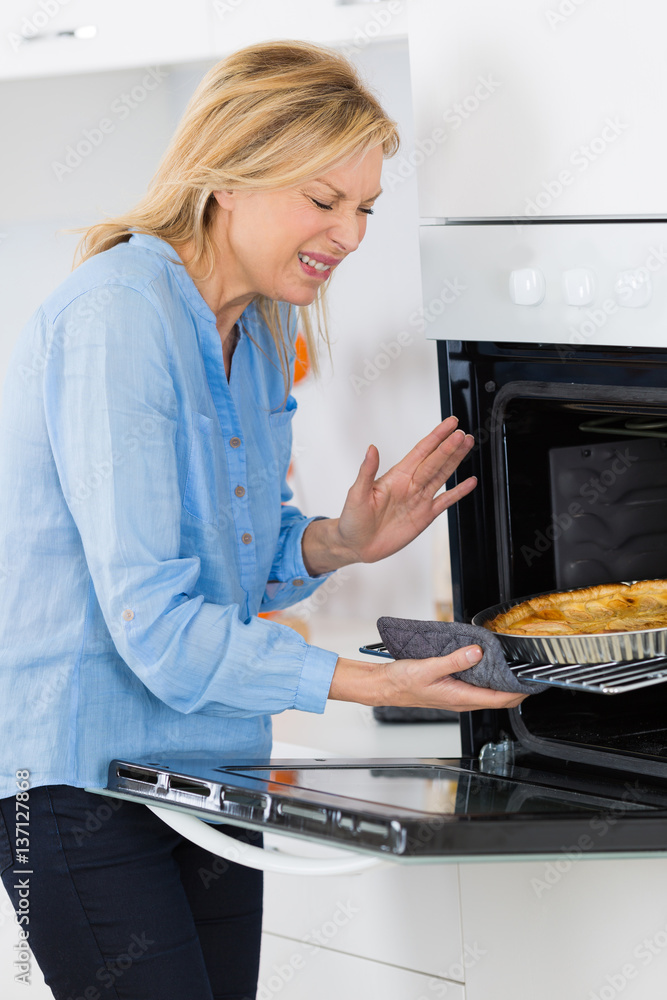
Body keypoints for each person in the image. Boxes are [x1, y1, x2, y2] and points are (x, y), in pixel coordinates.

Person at [0, 41, 524, 1000]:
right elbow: (156, 625)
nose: (351, 233)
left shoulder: (265, 323)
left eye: (363, 206)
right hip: (77, 781)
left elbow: (237, 560)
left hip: (214, 761)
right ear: (228, 179)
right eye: (323, 201)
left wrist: (339, 542)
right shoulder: (119, 319)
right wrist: (370, 680)